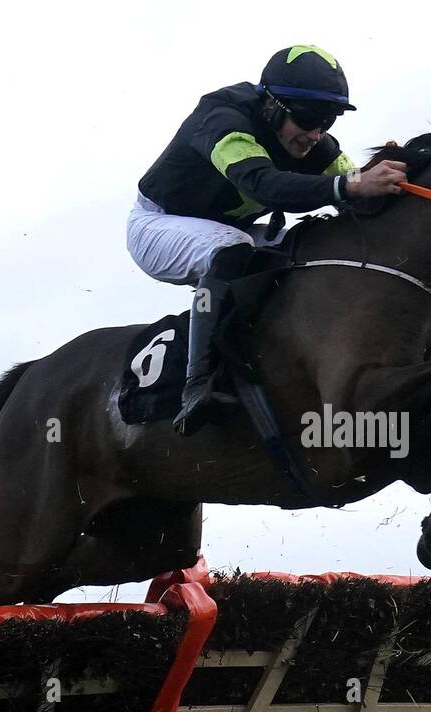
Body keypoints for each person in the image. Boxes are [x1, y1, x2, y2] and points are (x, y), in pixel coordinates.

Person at [127, 44, 408, 435]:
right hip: (159, 223)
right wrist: (354, 185)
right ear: (272, 106)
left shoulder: (314, 144)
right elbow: (263, 184)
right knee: (231, 251)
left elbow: (356, 187)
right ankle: (197, 384)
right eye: (308, 118)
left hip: (230, 228)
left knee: (304, 251)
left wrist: (398, 174)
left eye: (327, 120)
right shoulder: (223, 118)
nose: (315, 134)